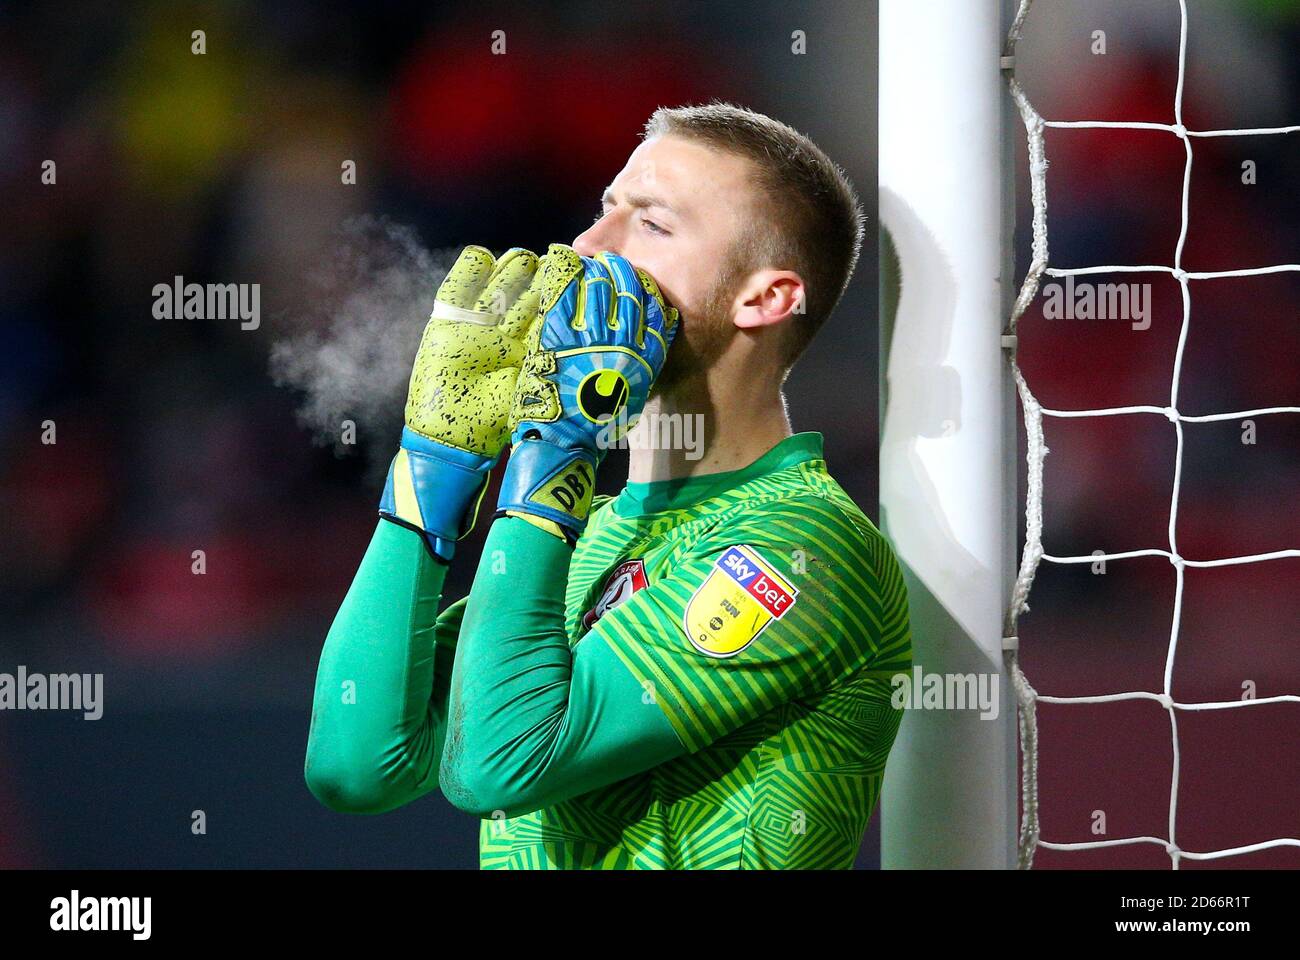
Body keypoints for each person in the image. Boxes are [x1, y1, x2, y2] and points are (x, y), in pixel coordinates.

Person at [305, 102, 912, 869]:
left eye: (652, 226)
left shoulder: (803, 547)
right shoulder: (586, 531)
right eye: (604, 212)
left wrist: (558, 447)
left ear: (764, 297)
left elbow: (500, 765)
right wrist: (436, 462)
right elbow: (356, 768)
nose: (588, 248)